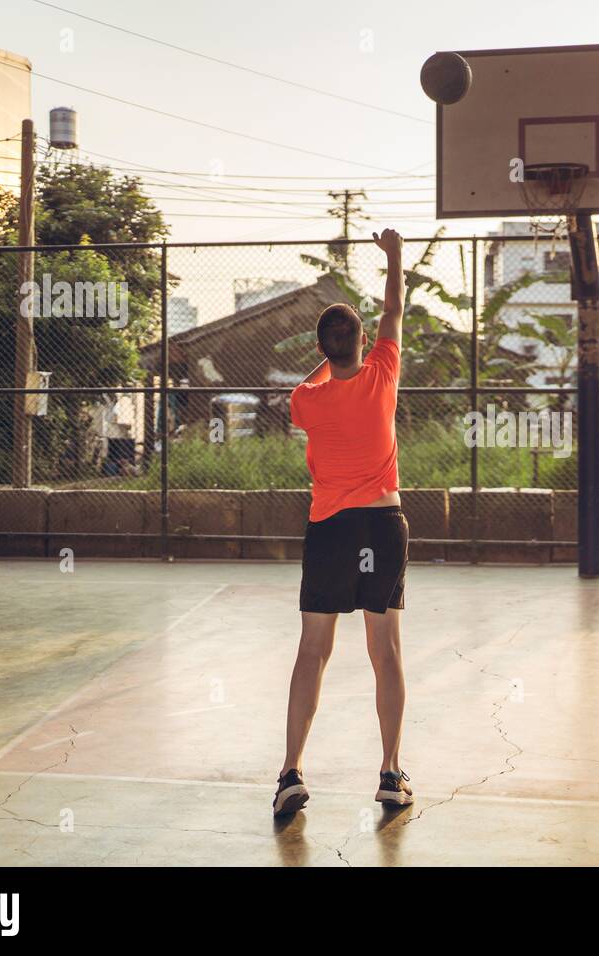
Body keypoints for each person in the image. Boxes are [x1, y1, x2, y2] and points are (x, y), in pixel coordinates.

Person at [273, 228, 412, 816]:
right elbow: (395, 307)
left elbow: (314, 379)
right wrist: (395, 257)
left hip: (330, 529)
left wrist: (328, 356)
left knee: (313, 650)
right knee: (385, 651)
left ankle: (290, 775)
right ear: (361, 340)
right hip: (382, 525)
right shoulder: (383, 372)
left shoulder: (308, 399)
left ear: (323, 347)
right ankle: (389, 774)